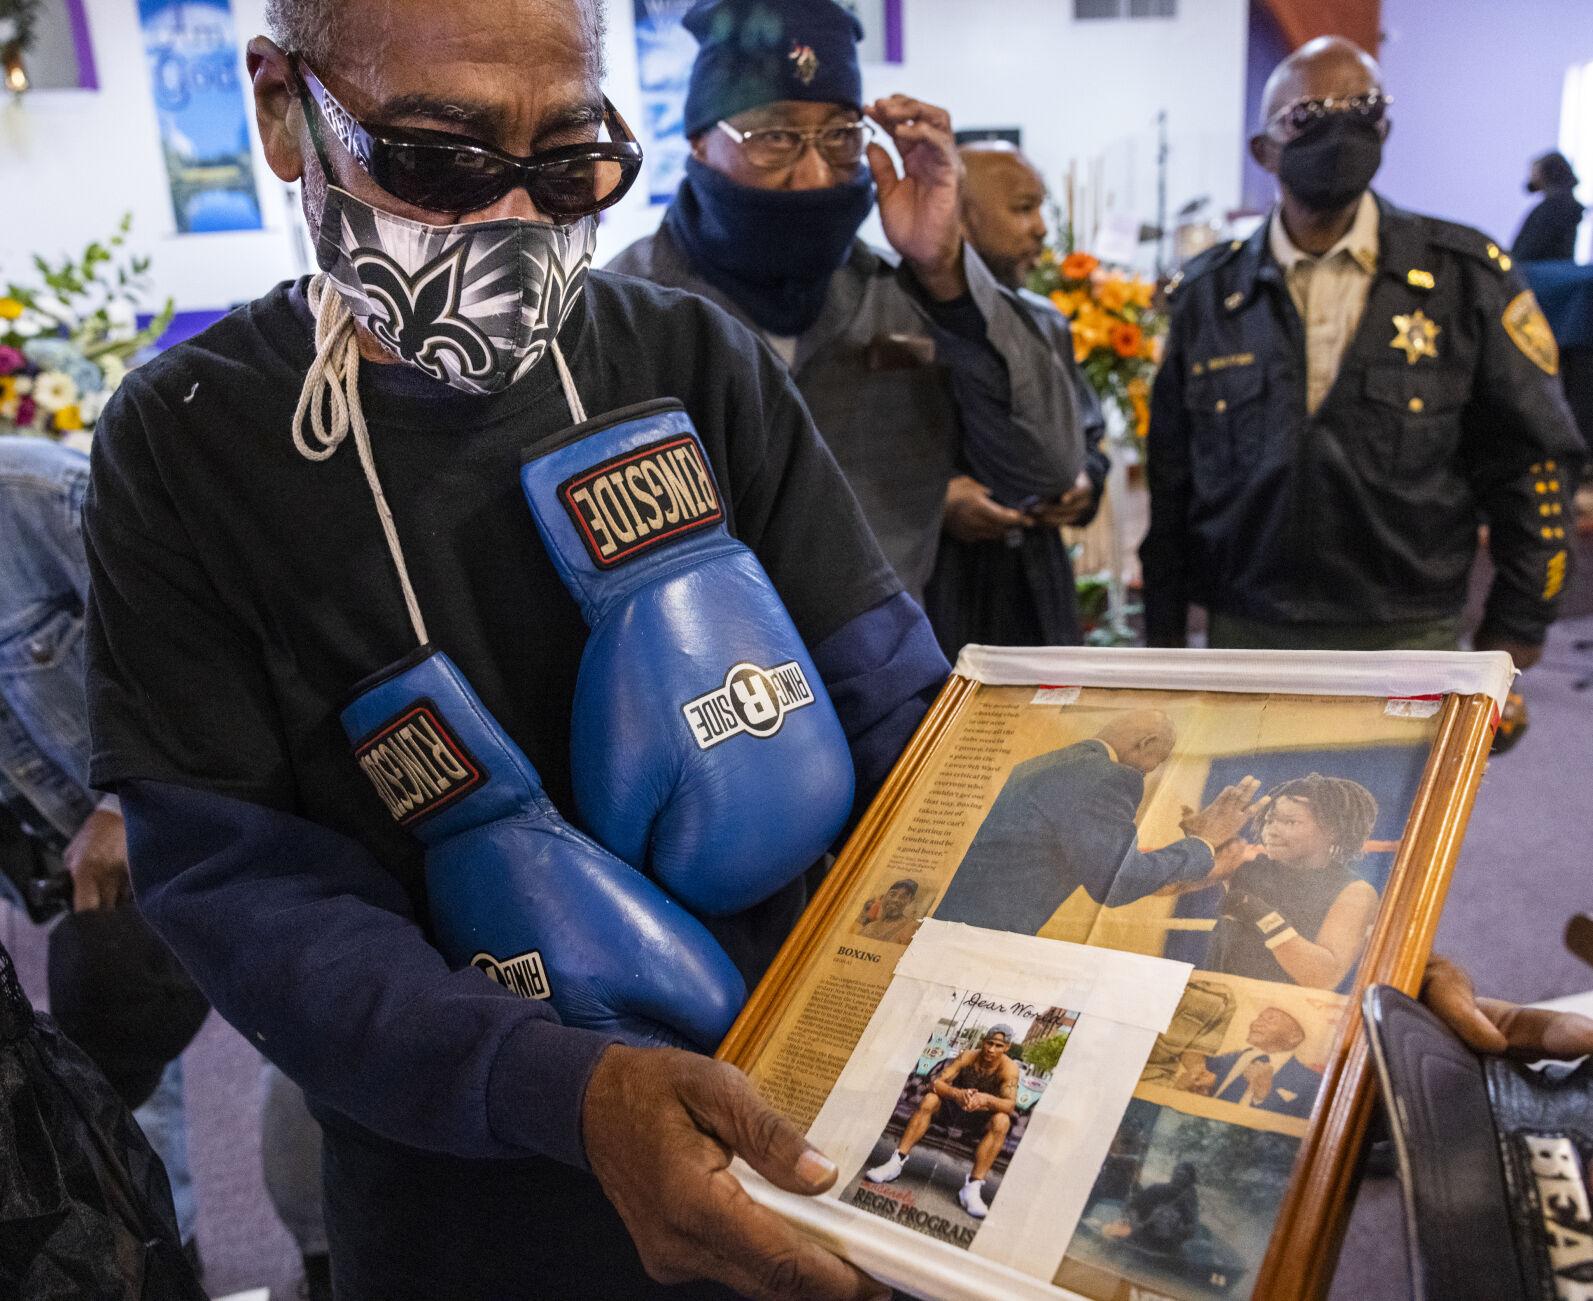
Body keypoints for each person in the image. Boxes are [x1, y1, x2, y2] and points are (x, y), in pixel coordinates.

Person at [81, 4, 1593, 1297]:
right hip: (478, 1175)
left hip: (820, 1103)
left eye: (568, 161)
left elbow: (913, 722)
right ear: (284, 112)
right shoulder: (187, 447)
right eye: (435, 157)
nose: (512, 220)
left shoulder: (684, 359)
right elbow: (244, 885)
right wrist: (556, 1089)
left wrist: (1331, 939)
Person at [608, 0, 1089, 608]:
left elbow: (1041, 471)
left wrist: (946, 273)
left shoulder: (911, 298)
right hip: (701, 686)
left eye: (839, 136)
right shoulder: (625, 315)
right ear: (701, 143)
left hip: (885, 682)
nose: (814, 177)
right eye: (775, 137)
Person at [1141, 37, 1585, 665]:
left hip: (1408, 631)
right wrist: (1160, 646)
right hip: (1246, 631)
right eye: (1308, 118)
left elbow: (1532, 460)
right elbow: (1173, 483)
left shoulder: (1465, 278)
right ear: (1264, 151)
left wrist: (1518, 628)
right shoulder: (1210, 295)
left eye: (1364, 112)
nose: (1340, 131)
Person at [0, 435, 203, 1267]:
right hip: (55, 861)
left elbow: (198, 644)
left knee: (313, 1047)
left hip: (197, 815)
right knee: (103, 1063)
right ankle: (159, 1258)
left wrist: (127, 797)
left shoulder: (45, 497)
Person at [923, 141, 1112, 655]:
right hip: (939, 584)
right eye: (1024, 208)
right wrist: (934, 501)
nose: (1042, 228)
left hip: (1037, 579)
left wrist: (1081, 481)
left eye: (1041, 207)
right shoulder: (893, 317)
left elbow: (1089, 436)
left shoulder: (1045, 322)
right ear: (959, 216)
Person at [934, 710, 1262, 933]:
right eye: (1156, 762)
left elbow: (1112, 861)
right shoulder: (1108, 777)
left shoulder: (1044, 764)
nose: (1149, 773)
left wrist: (1192, 844)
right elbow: (1120, 880)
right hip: (986, 931)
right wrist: (1204, 843)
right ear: (1145, 744)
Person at [1204, 774, 1379, 990]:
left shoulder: (1355, 892)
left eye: (1290, 822)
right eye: (1269, 820)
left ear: (1332, 830)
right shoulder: (1245, 866)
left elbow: (1323, 977)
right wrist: (1202, 839)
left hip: (1282, 1014)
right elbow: (1166, 887)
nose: (1271, 831)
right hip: (1213, 1002)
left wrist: (1262, 916)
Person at [864, 1023, 1020, 1220]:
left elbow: (1009, 1105)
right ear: (983, 1041)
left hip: (980, 1117)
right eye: (989, 1043)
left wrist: (986, 1099)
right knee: (930, 1099)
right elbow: (936, 1082)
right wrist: (956, 1093)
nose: (991, 1049)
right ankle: (895, 1163)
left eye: (998, 1045)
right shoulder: (969, 1056)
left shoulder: (1009, 1069)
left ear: (1007, 1048)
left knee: (1002, 1121)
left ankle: (972, 1187)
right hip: (953, 1107)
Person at [1173, 1006, 1322, 1118]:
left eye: (1270, 1019)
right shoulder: (1235, 1057)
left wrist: (1263, 1095)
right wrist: (1197, 1071)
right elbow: (1191, 1053)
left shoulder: (1312, 1081)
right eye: (1259, 1017)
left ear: (1294, 1037)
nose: (1256, 1023)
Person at [1103, 1162, 1200, 1254]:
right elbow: (1132, 1207)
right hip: (1142, 1237)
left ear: (1190, 1182)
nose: (1178, 1179)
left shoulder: (1189, 1202)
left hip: (1167, 1246)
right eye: (1178, 1174)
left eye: (1183, 1177)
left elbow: (1191, 1229)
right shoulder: (1157, 1190)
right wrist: (1135, 1223)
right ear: (1173, 1175)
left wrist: (1180, 1233)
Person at [1513, 151, 1584, 263]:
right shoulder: (1564, 207)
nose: (1532, 177)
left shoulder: (1552, 210)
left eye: (1535, 173)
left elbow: (1527, 251)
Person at [855, 877, 920, 944]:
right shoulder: (869, 927)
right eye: (892, 894)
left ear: (910, 901)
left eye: (903, 897)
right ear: (885, 895)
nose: (896, 900)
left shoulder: (910, 927)